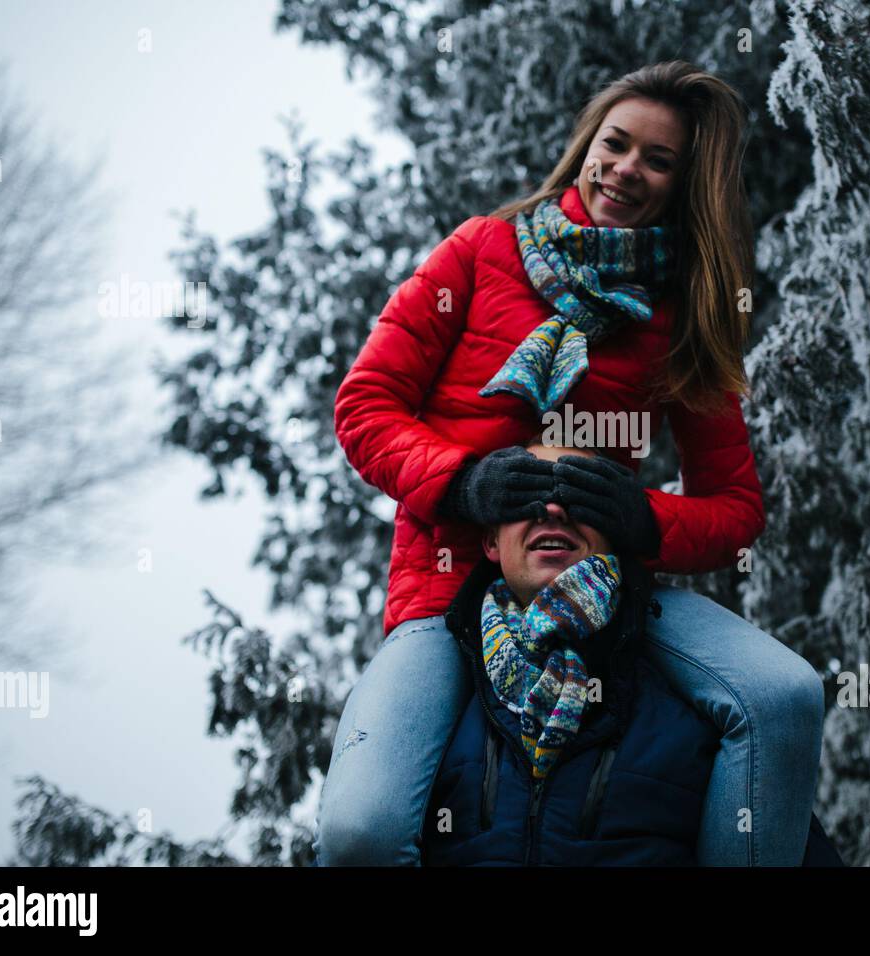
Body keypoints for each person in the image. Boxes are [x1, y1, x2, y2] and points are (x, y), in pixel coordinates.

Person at [318, 60, 824, 867]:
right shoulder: (480, 250)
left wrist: (641, 517)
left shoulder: (683, 310)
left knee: (783, 694)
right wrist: (462, 481)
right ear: (587, 144)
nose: (626, 169)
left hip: (607, 587)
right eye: (615, 144)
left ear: (683, 184)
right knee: (360, 830)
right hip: (449, 585)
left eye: (658, 160)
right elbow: (365, 405)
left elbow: (735, 509)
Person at [415, 441, 842, 866]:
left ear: (616, 534)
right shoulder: (429, 709)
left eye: (581, 495)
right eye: (524, 495)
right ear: (490, 541)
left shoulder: (711, 707)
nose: (553, 509)